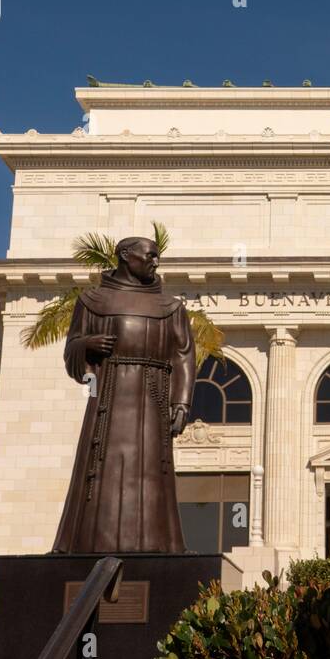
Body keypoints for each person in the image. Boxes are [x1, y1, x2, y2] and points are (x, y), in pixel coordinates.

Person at [52, 236, 194, 553]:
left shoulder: (171, 308)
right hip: (108, 396)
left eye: (158, 257)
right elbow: (71, 350)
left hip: (154, 396)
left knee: (152, 474)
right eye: (150, 256)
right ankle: (87, 543)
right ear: (126, 256)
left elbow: (183, 355)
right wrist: (86, 345)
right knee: (101, 468)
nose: (156, 262)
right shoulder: (92, 302)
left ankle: (158, 545)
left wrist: (181, 402)